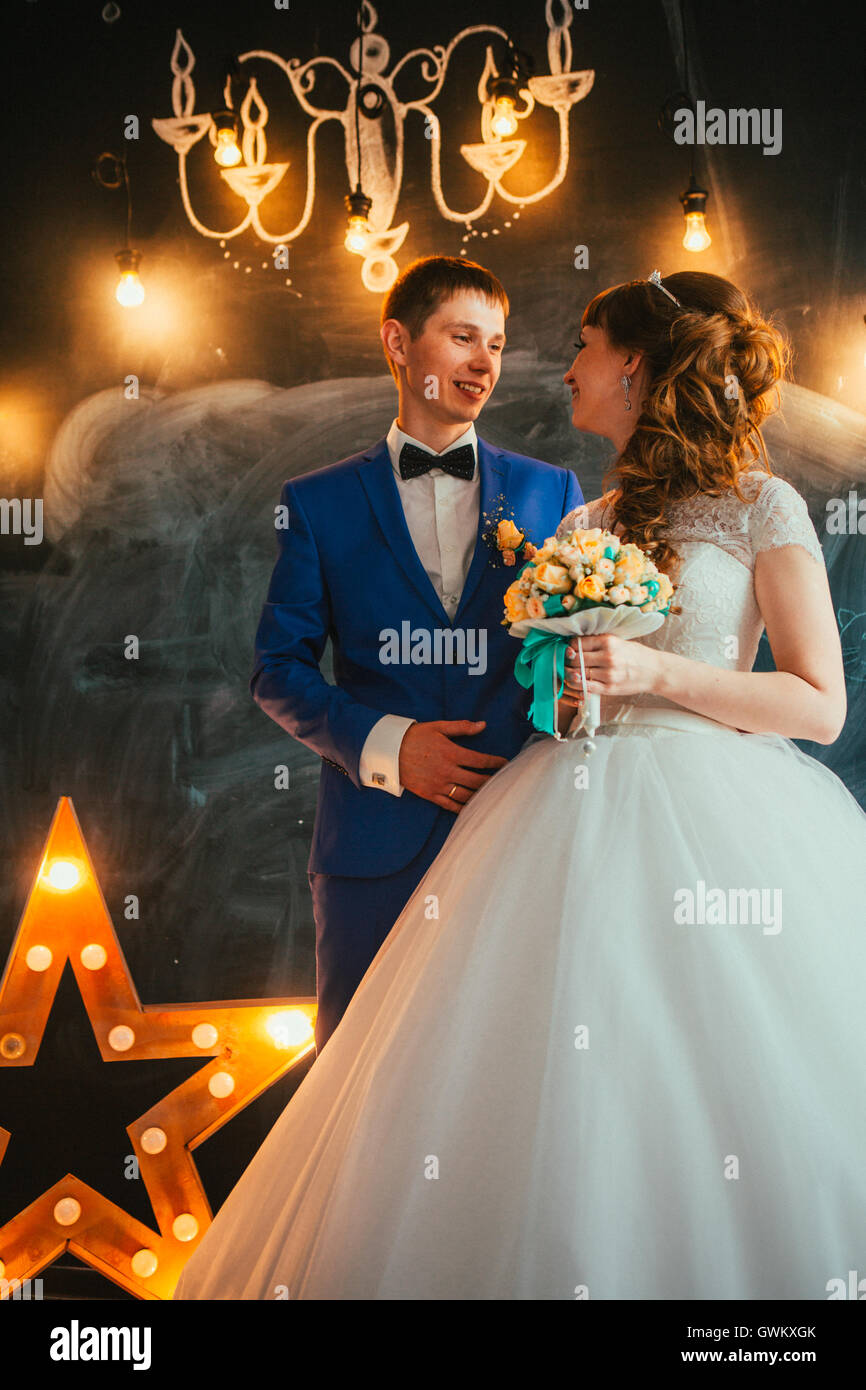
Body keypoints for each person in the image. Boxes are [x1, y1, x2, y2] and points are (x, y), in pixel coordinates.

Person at [174, 270, 866, 1300]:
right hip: (560, 811)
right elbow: (326, 671)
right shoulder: (582, 520)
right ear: (398, 342)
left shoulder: (757, 505)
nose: (548, 367)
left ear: (631, 367)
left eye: (581, 347)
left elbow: (818, 707)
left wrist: (653, 673)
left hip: (721, 821)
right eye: (469, 337)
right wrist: (564, 696)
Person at [248, 255, 582, 1051]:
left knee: (511, 1072)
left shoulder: (553, 492)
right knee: (360, 1081)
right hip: (371, 849)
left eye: (496, 344)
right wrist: (393, 750)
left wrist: (571, 696)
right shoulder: (316, 502)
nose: (484, 363)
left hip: (519, 833)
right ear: (398, 343)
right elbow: (277, 668)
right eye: (463, 336)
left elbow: (572, 656)